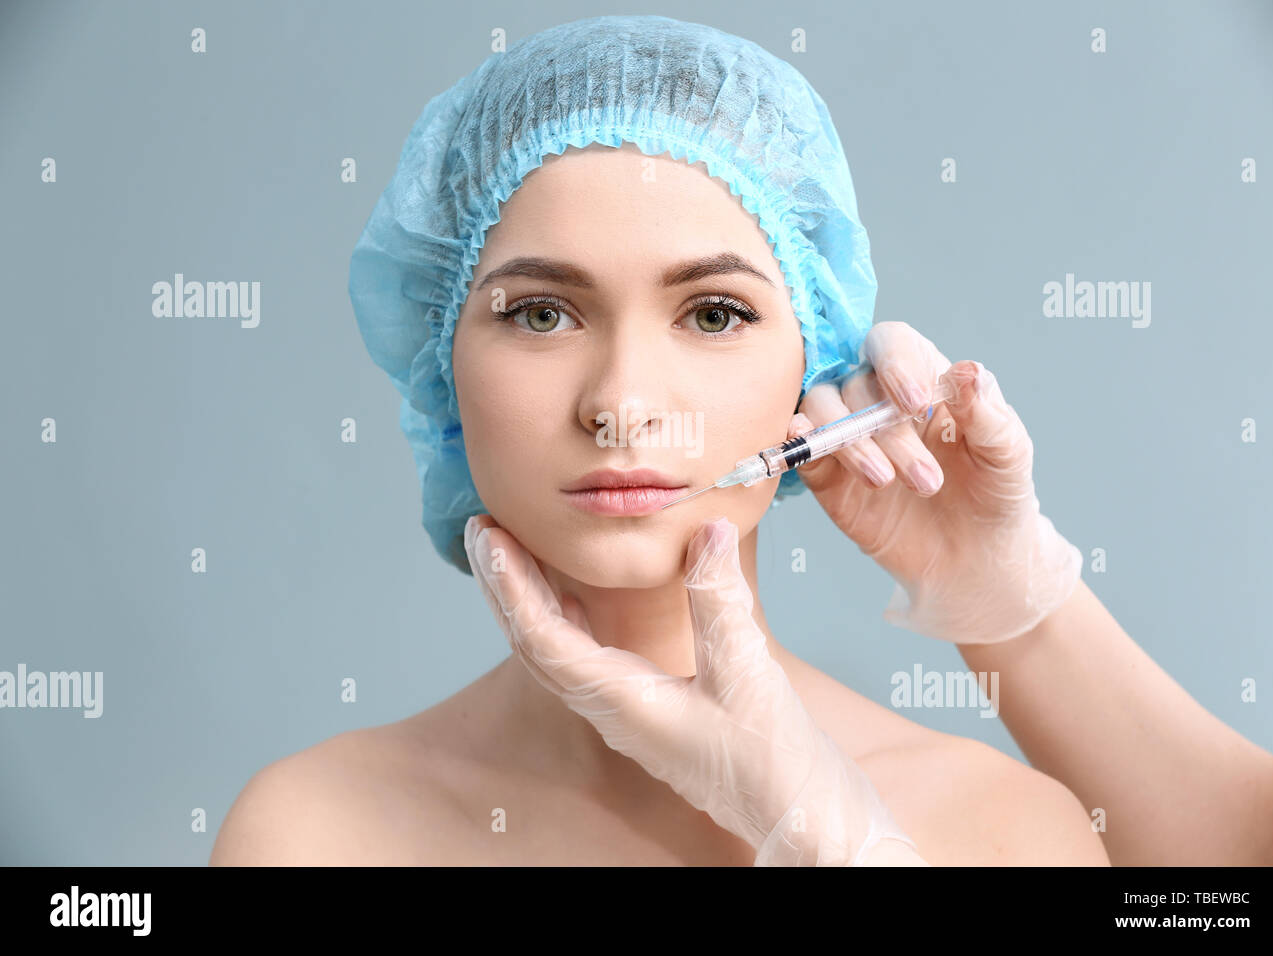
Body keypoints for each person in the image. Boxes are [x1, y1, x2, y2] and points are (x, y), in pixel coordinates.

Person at [209, 15, 1108, 866]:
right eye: (541, 313)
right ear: (442, 351)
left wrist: (835, 844)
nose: (622, 405)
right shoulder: (312, 835)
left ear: (817, 356)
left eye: (714, 313)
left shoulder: (1007, 834)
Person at [790, 321, 1273, 865]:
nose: (683, 411)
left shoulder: (1013, 829)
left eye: (716, 314)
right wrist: (1003, 594)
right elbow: (1250, 864)